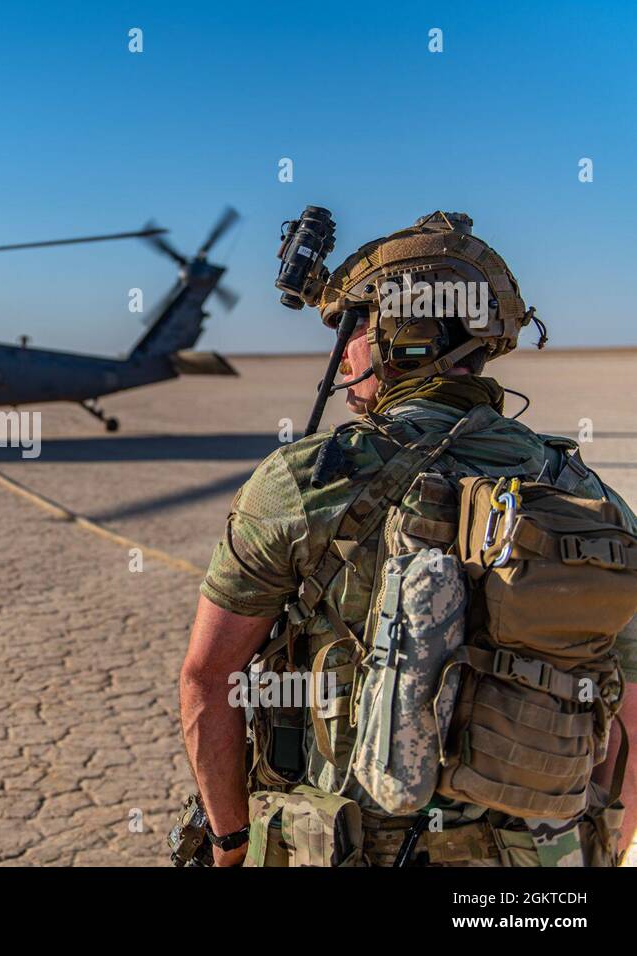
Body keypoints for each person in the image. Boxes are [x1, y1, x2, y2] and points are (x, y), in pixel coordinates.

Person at [179, 211, 637, 867]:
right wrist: (597, 847)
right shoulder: (586, 496)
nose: (345, 349)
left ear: (398, 338)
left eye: (354, 326)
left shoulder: (305, 481)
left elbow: (206, 679)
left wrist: (228, 842)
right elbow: (630, 715)